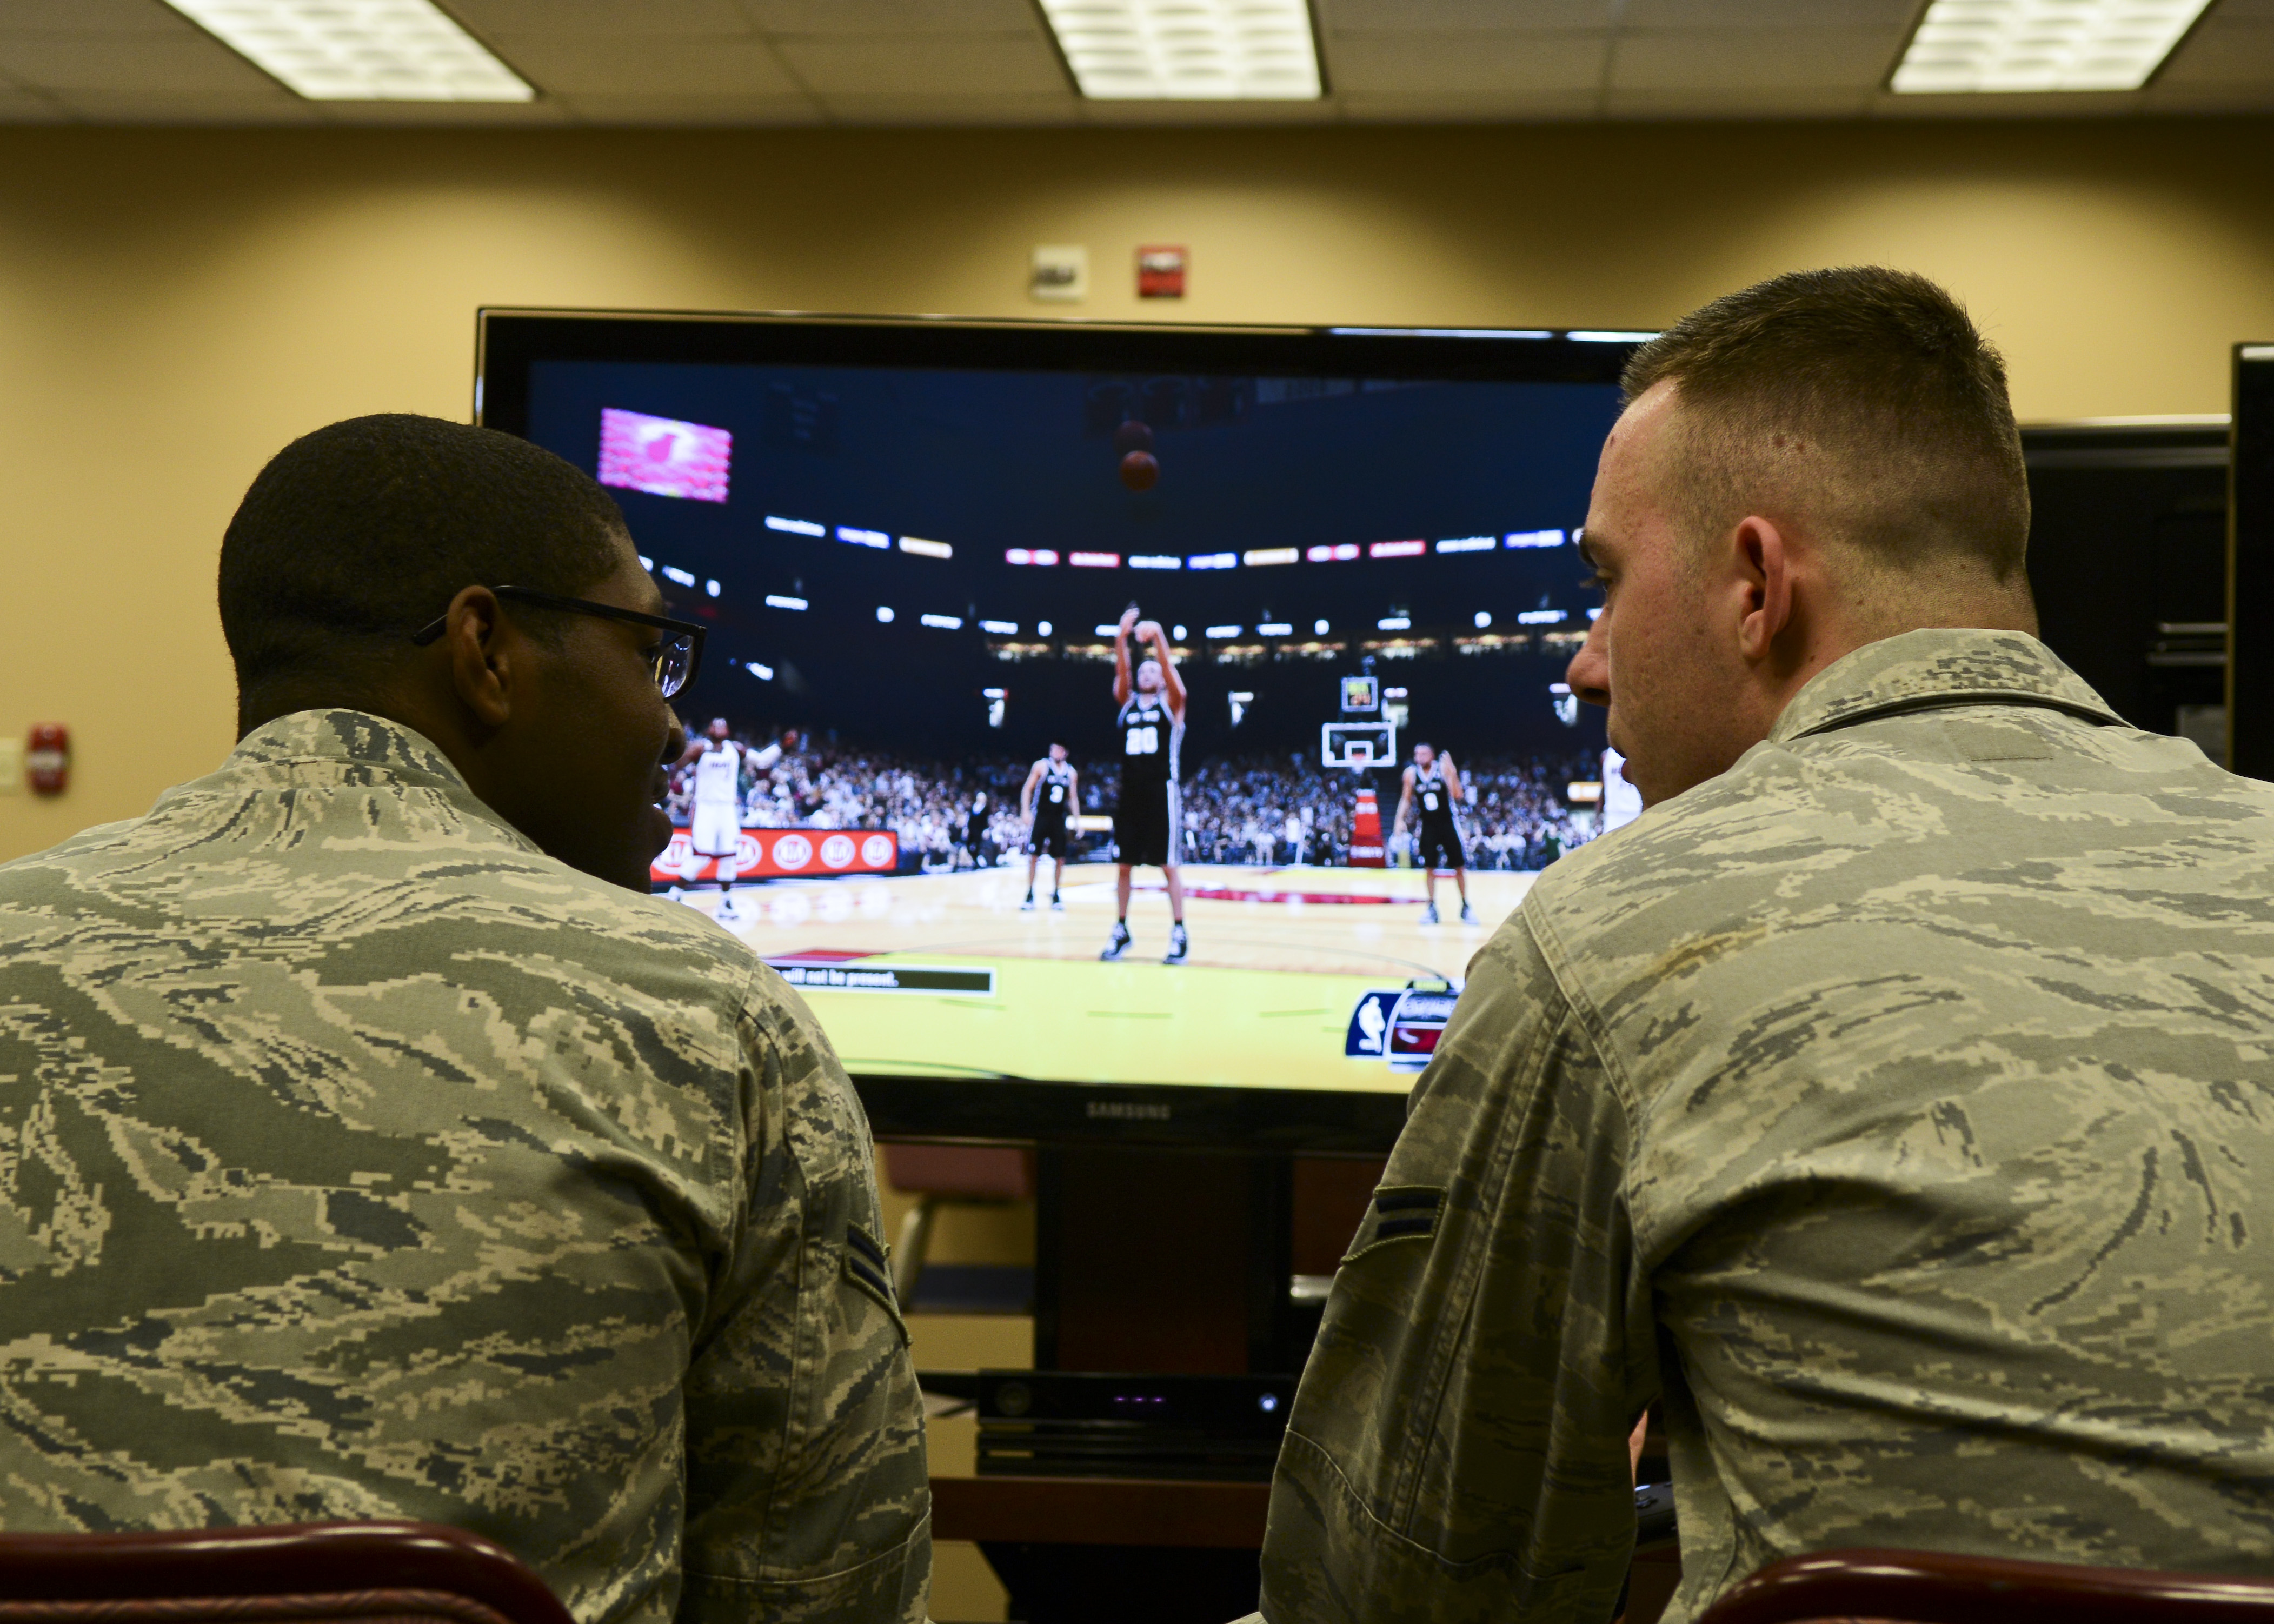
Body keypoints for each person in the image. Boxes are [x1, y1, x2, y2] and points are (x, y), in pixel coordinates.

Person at [1256, 268, 2274, 1624]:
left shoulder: (1607, 936)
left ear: (1753, 584)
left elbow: (1400, 1587)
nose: (1583, 663)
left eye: (1607, 584)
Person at [0, 415, 930, 1624]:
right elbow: (821, 1598)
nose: (675, 722)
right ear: (486, 648)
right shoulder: (709, 1016)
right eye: (653, 653)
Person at [1101, 606, 1190, 963]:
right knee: (1124, 866)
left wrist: (1159, 638)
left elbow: (1171, 673)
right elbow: (1122, 670)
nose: (1148, 671)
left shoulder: (1172, 704)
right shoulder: (1127, 703)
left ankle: (1179, 932)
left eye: (1154, 669)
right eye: (1144, 668)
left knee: (1168, 866)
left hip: (1161, 791)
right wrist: (1121, 637)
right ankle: (1122, 929)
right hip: (1130, 794)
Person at [673, 718, 794, 917]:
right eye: (715, 724)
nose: (719, 727)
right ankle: (675, 894)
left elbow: (762, 760)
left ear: (729, 730)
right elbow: (676, 764)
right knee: (701, 856)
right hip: (705, 806)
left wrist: (781, 745)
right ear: (708, 729)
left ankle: (725, 903)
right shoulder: (700, 748)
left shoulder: (735, 749)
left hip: (727, 808)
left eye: (723, 724)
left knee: (729, 856)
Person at [1393, 741, 1477, 924]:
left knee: (1459, 867)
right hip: (1428, 826)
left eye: (1423, 754)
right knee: (1429, 868)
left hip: (1448, 824)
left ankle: (1465, 906)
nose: (1419, 758)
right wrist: (1399, 820)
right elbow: (1406, 799)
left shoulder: (1443, 769)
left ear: (1432, 755)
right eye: (1417, 754)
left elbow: (1458, 795)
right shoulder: (1411, 774)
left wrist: (1453, 774)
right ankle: (1431, 908)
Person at [1020, 741, 1079, 910]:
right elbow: (1027, 789)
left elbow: (1073, 797)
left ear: (1065, 752)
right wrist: (1025, 811)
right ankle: (1030, 894)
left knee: (1060, 858)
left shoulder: (1071, 772)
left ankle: (1056, 894)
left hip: (1059, 818)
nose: (1055, 751)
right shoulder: (1042, 766)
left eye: (1059, 749)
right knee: (1034, 855)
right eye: (1053, 748)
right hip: (1041, 816)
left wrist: (1077, 820)